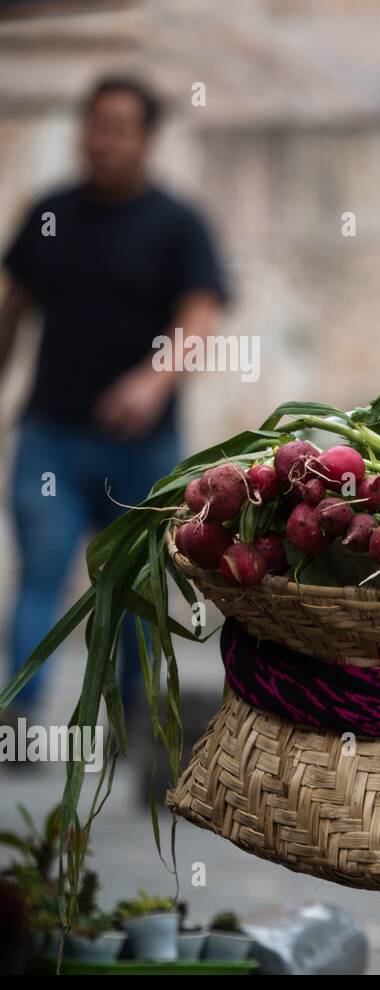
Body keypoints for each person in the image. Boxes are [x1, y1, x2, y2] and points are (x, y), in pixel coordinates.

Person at [0, 74, 228, 733]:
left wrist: (150, 382)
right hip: (50, 433)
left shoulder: (177, 224)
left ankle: (132, 715)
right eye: (94, 126)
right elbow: (14, 309)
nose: (102, 141)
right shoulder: (50, 213)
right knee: (42, 566)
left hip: (141, 446)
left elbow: (200, 319)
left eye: (118, 129)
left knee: (134, 583)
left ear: (145, 139)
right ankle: (20, 713)